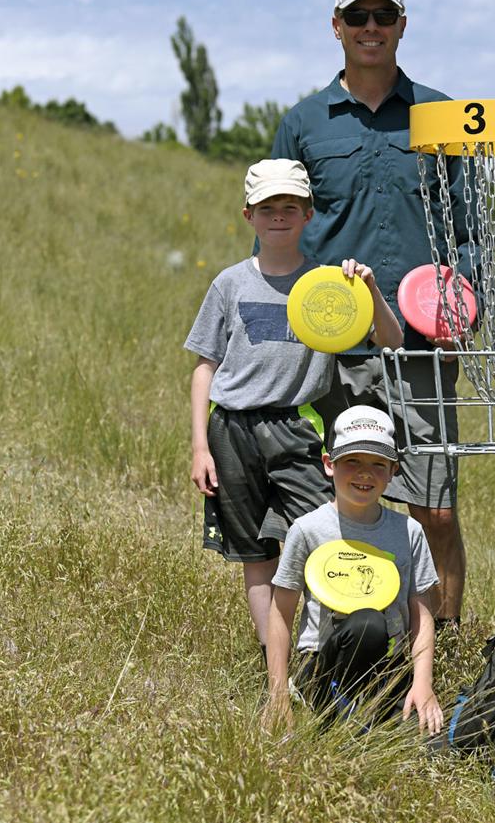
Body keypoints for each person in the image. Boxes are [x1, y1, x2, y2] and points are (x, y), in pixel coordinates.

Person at [271, 0, 470, 628]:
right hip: (336, 347)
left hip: (423, 347)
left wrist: (464, 312)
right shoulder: (303, 123)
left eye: (384, 15)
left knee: (434, 507)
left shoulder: (443, 118)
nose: (371, 27)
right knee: (343, 501)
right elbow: (279, 232)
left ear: (402, 26)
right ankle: (344, 646)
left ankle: (439, 650)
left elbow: (467, 233)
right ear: (337, 27)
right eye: (358, 16)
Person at [186, 158, 402, 659]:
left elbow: (389, 341)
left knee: (325, 541)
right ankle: (274, 663)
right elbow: (205, 367)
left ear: (309, 214)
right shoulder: (229, 283)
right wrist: (200, 445)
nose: (278, 216)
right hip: (232, 430)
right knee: (255, 556)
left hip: (298, 428)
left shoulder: (333, 285)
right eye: (267, 208)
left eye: (290, 207)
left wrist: (369, 289)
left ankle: (329, 651)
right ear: (249, 216)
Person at [262, 405, 443, 734]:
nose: (365, 473)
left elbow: (422, 615)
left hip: (389, 664)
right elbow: (280, 613)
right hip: (322, 661)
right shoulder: (307, 529)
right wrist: (277, 697)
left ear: (393, 471)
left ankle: (371, 710)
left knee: (422, 741)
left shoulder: (408, 531)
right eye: (352, 462)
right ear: (329, 465)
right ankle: (328, 705)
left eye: (378, 464)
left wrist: (423, 685)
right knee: (368, 622)